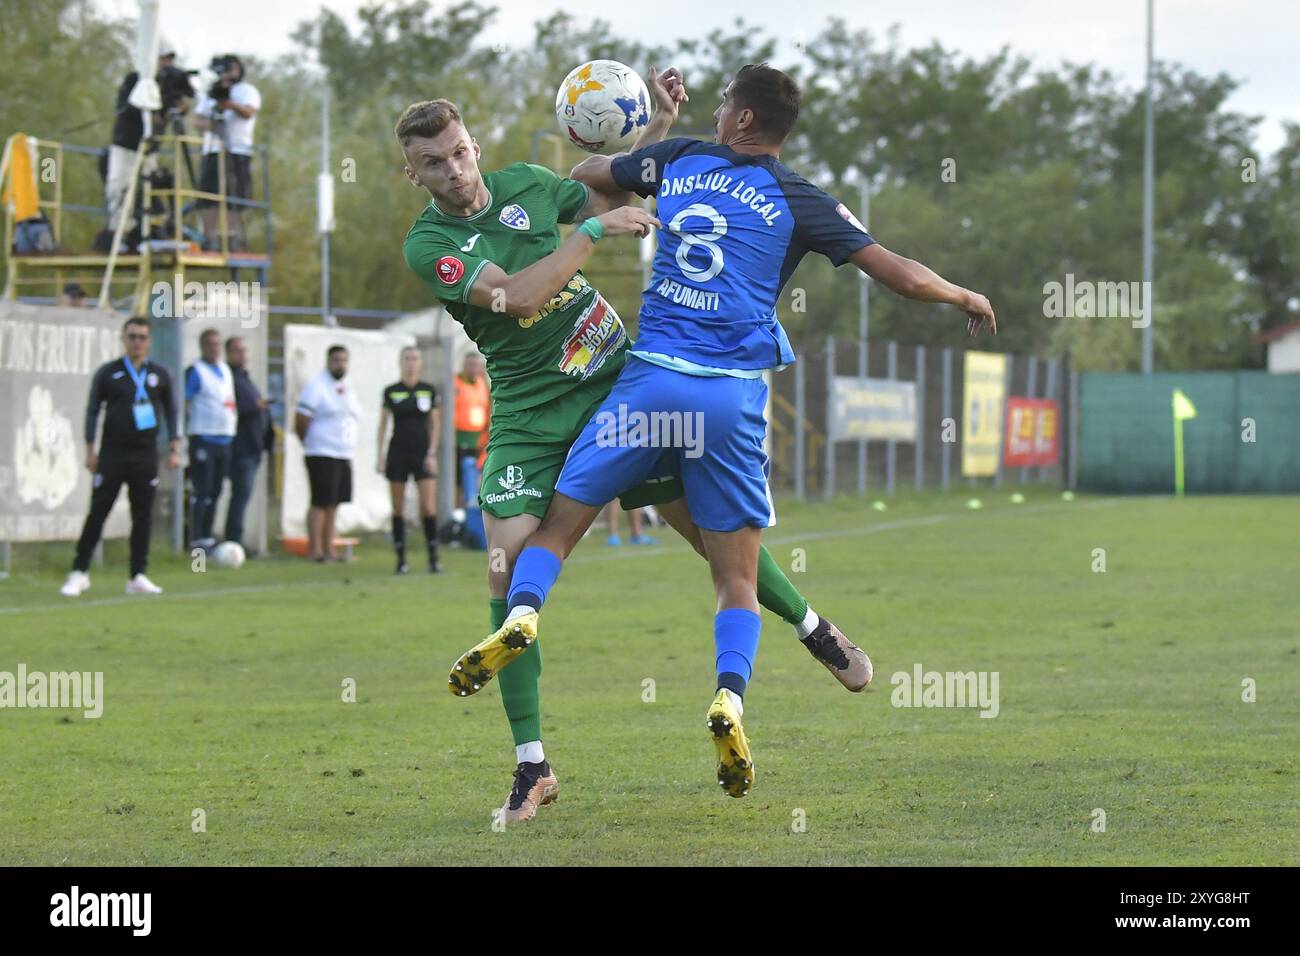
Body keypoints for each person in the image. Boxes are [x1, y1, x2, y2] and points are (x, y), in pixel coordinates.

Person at [450, 63, 997, 800]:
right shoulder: (801, 197)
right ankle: (728, 699)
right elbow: (893, 270)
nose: (716, 113)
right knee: (733, 574)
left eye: (723, 105)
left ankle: (522, 615)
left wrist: (643, 136)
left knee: (553, 534)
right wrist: (961, 292)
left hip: (648, 384)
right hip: (733, 399)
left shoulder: (681, 159)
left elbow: (588, 173)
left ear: (739, 121)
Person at [399, 79, 868, 824]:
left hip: (614, 378)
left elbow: (607, 192)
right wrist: (591, 236)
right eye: (434, 163)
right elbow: (520, 296)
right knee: (506, 565)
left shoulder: (523, 184)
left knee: (711, 539)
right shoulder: (431, 246)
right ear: (414, 175)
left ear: (474, 146)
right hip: (527, 412)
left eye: (459, 152)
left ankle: (815, 629)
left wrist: (659, 126)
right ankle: (533, 767)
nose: (454, 170)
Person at [61, 317, 180, 597]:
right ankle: (79, 571)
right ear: (123, 338)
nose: (137, 342)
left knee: (142, 516)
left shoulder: (160, 374)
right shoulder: (109, 373)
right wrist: (90, 450)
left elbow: (172, 412)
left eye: (142, 337)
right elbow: (93, 410)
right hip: (113, 453)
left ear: (149, 341)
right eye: (132, 336)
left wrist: (175, 447)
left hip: (145, 454)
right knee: (98, 511)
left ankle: (137, 574)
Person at [378, 346, 441, 573]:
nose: (411, 363)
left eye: (415, 358)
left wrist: (432, 453)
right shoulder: (391, 391)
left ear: (421, 363)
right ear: (400, 362)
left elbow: (435, 424)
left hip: (422, 453)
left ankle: (433, 558)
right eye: (407, 358)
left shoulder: (428, 390)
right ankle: (401, 559)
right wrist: (380, 454)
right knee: (398, 507)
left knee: (428, 506)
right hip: (398, 453)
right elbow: (383, 424)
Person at [294, 345, 360, 562]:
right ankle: (315, 550)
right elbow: (301, 419)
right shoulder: (316, 386)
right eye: (336, 360)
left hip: (342, 453)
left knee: (334, 503)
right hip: (321, 451)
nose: (340, 364)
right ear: (328, 362)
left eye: (343, 360)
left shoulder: (346, 386)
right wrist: (311, 442)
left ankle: (329, 548)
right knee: (320, 502)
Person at [193, 54, 260, 252]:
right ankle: (209, 236)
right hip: (212, 150)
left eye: (230, 69)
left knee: (236, 194)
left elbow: (248, 113)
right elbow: (197, 120)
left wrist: (229, 105)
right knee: (207, 194)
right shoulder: (211, 93)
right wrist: (213, 123)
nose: (227, 74)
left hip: (238, 149)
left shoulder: (247, 91)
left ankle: (232, 236)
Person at [184, 328, 237, 549]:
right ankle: (195, 537)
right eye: (210, 344)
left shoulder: (225, 369)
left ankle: (207, 535)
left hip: (224, 438)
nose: (214, 349)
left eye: (217, 344)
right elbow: (185, 401)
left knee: (216, 490)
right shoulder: (196, 371)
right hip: (204, 437)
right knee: (202, 490)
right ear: (202, 346)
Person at [223, 335, 272, 550]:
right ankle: (233, 541)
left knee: (244, 495)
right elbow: (230, 409)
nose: (242, 354)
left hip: (253, 447)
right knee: (239, 495)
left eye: (244, 350)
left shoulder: (245, 378)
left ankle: (235, 539)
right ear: (228, 353)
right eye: (237, 350)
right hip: (240, 448)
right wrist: (256, 406)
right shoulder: (228, 378)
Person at [452, 353, 488, 508]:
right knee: (459, 481)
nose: (473, 368)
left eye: (476, 365)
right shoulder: (456, 384)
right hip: (460, 439)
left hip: (479, 441)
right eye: (470, 365)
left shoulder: (483, 385)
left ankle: (473, 512)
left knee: (477, 478)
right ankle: (458, 513)